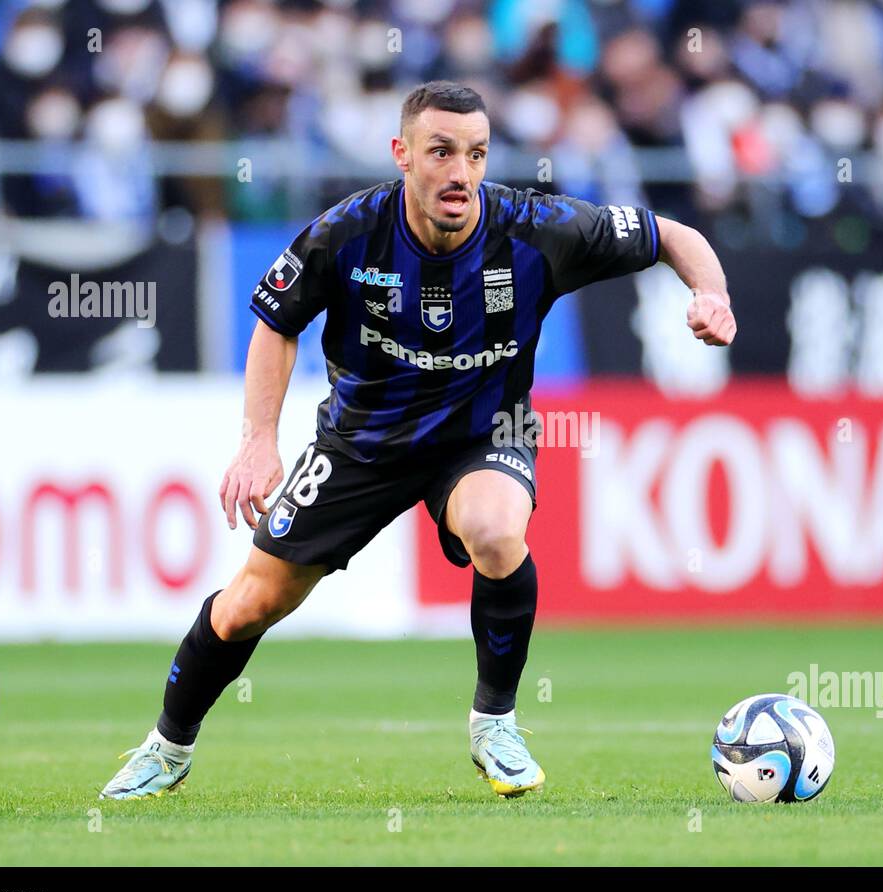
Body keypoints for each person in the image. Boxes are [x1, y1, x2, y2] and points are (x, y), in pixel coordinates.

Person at [101, 80, 735, 800]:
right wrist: (257, 441)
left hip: (483, 430)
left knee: (497, 532)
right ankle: (167, 747)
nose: (460, 172)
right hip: (361, 443)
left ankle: (494, 723)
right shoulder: (347, 233)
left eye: (476, 154)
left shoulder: (538, 228)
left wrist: (709, 294)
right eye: (441, 152)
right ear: (402, 155)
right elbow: (277, 320)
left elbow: (674, 236)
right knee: (251, 602)